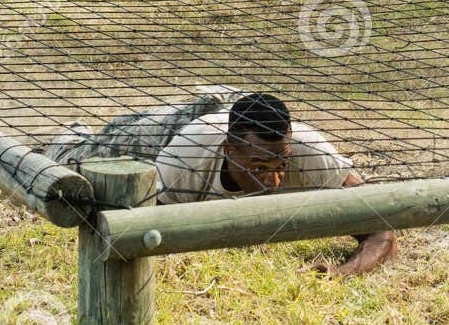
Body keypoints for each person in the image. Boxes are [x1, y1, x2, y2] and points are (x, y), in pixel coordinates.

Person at [46, 90, 396, 276]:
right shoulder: (182, 161)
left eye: (281, 164)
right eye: (259, 167)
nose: (273, 179)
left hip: (236, 111)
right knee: (80, 157)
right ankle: (72, 132)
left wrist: (341, 273)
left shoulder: (310, 151)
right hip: (173, 130)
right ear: (230, 150)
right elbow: (146, 237)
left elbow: (382, 230)